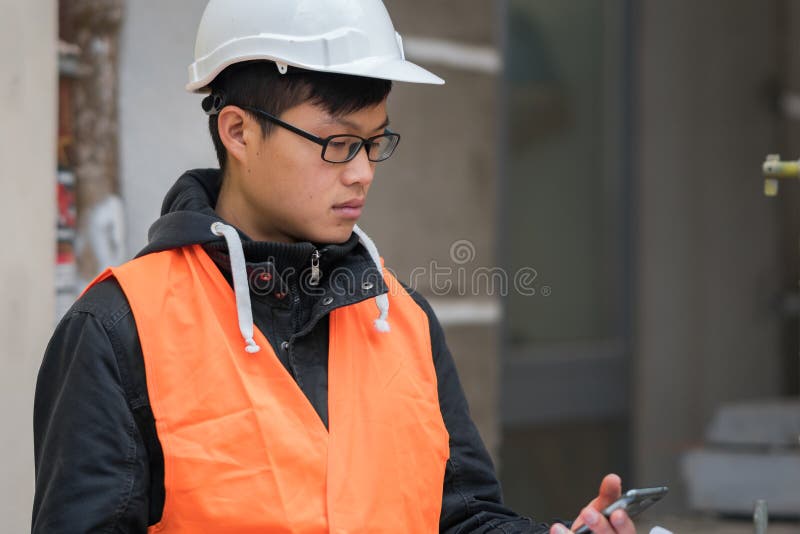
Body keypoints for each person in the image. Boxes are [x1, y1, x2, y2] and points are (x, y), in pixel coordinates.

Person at [33, 1, 638, 533]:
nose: (363, 172)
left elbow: (461, 516)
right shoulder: (118, 331)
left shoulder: (403, 321)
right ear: (238, 132)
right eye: (338, 144)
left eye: (375, 143)